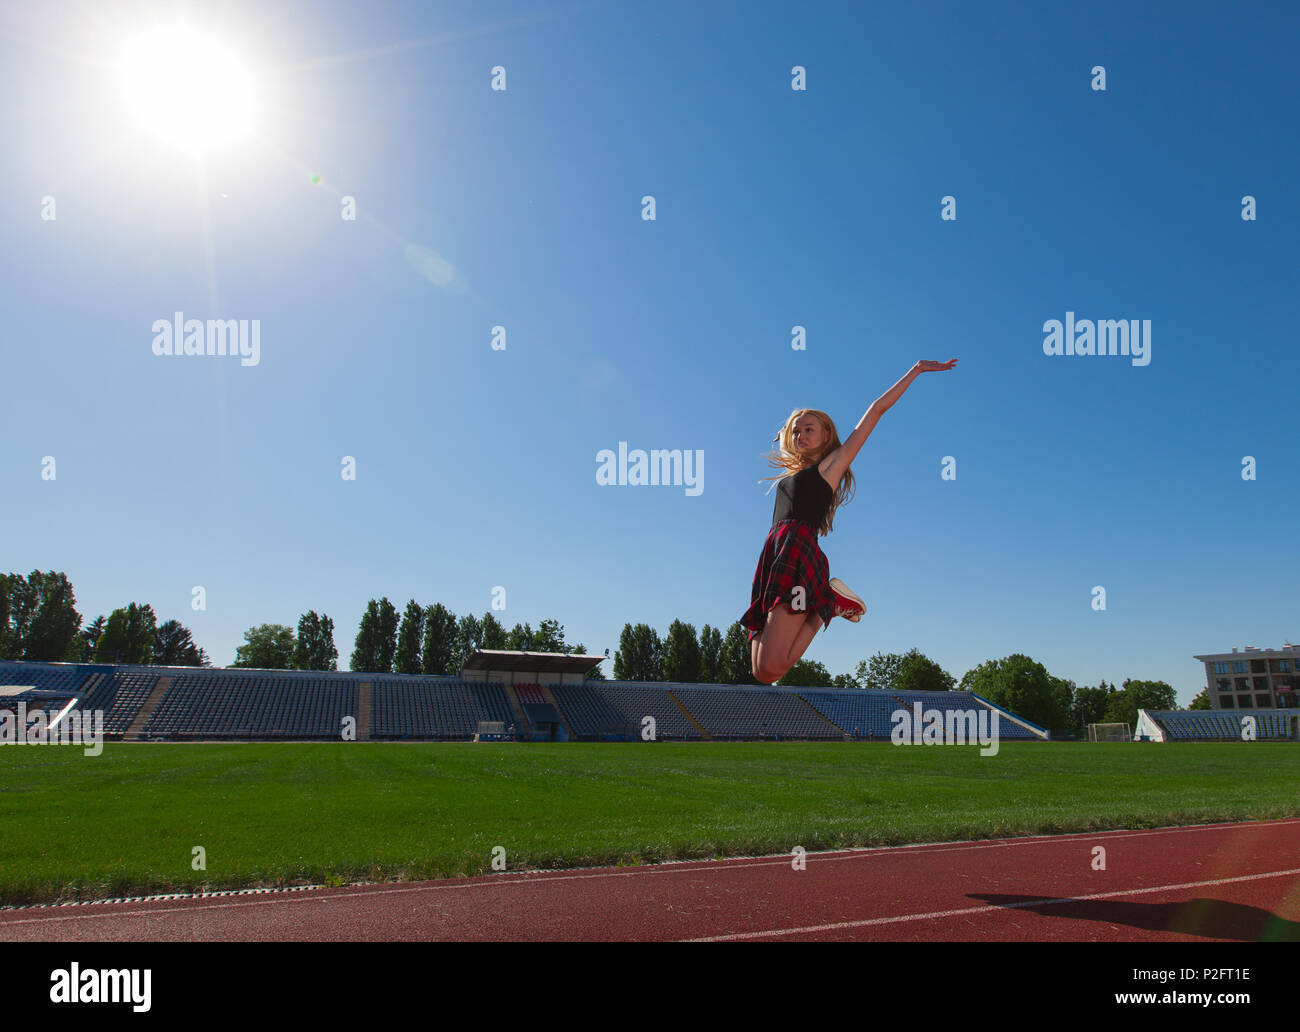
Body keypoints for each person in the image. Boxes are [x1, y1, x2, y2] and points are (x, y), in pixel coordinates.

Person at [742, 359, 958, 684]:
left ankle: (827, 602)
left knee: (774, 668)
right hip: (775, 552)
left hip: (798, 551)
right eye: (795, 431)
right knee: (760, 671)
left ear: (827, 433)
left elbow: (875, 411)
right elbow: (790, 438)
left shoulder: (832, 465)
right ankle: (827, 601)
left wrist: (915, 370)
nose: (800, 434)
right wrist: (786, 431)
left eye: (809, 429)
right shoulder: (794, 472)